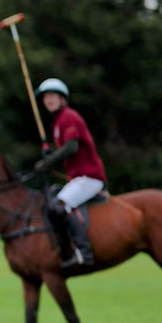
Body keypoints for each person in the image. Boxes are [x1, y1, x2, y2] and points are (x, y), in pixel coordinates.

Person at [32, 78, 106, 268]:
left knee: (59, 206)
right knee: (53, 202)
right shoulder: (57, 122)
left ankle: (83, 252)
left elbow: (71, 147)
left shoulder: (68, 117)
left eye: (52, 96)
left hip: (89, 177)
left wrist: (48, 160)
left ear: (62, 98)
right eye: (45, 97)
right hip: (78, 179)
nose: (48, 100)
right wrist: (50, 157)